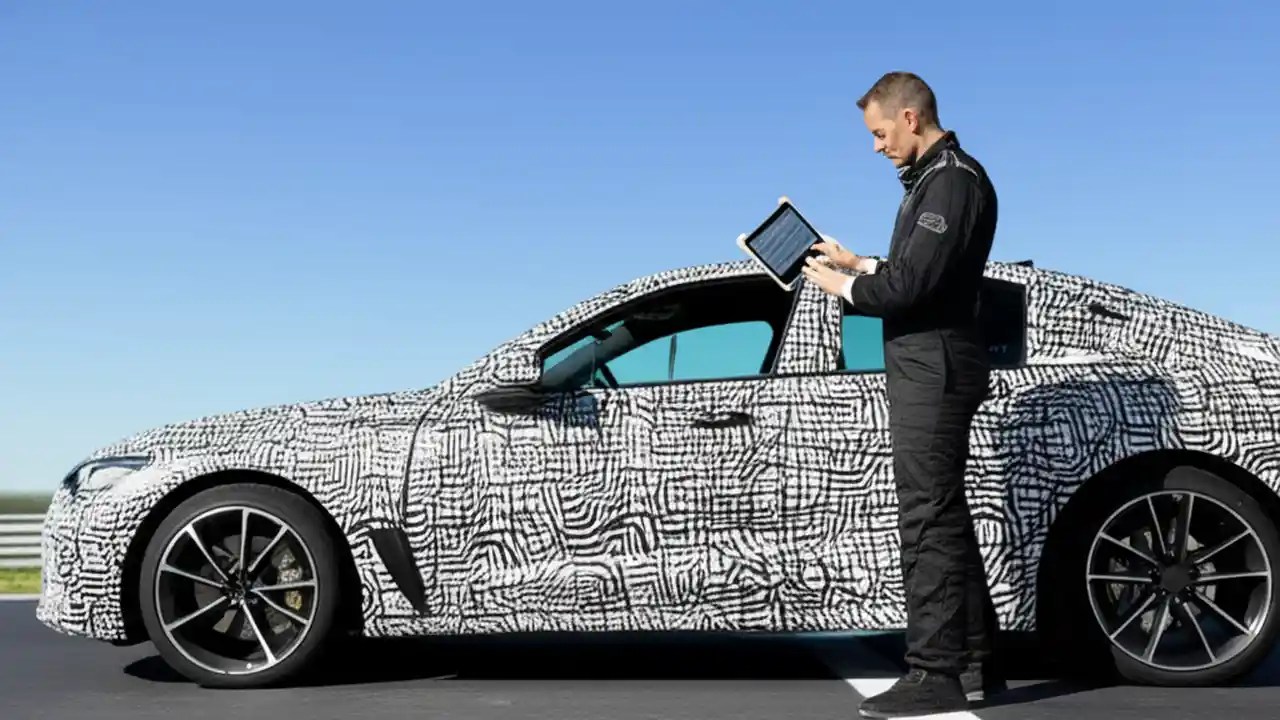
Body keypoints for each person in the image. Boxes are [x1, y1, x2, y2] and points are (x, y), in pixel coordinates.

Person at [800, 71, 1005, 718]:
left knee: (927, 518)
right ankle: (972, 660)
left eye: (880, 132)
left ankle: (934, 673)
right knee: (944, 513)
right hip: (931, 362)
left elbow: (912, 290)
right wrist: (858, 263)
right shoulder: (937, 180)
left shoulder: (952, 182)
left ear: (910, 118)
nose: (876, 145)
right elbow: (922, 273)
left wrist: (842, 288)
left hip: (934, 365)